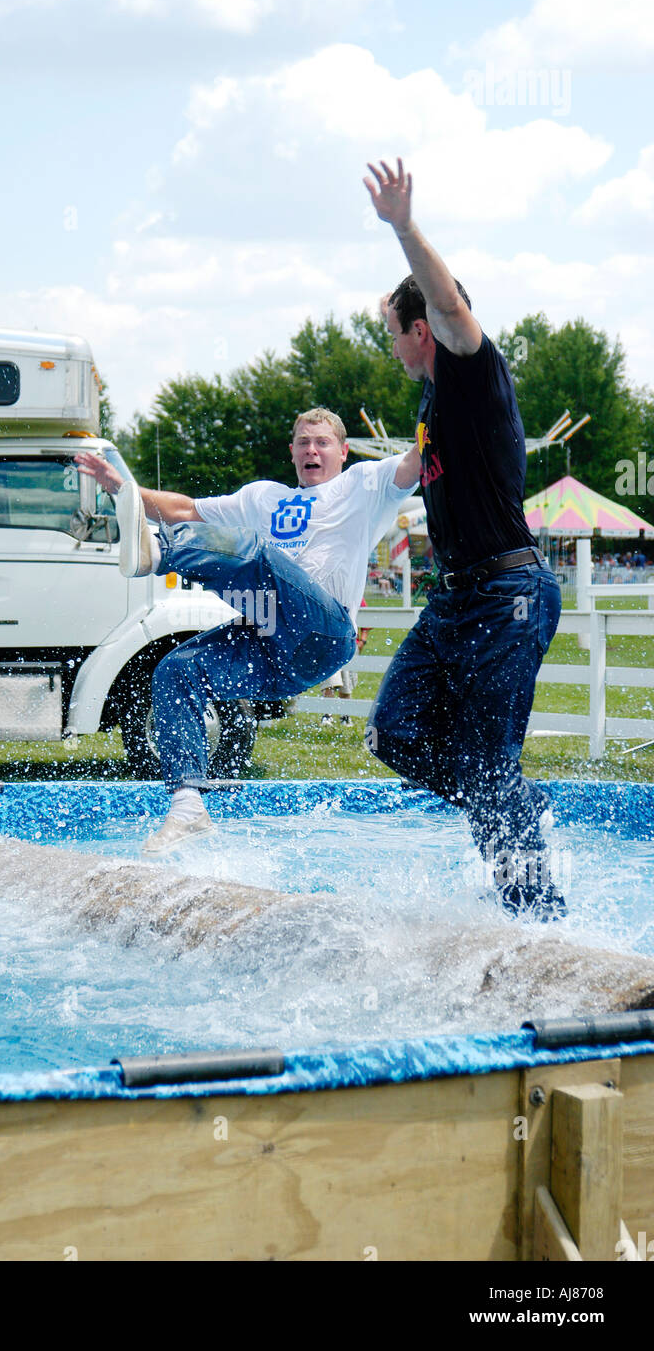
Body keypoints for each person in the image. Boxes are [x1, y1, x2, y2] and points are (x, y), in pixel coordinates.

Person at [362, 157, 565, 922]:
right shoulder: (429, 400)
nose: (391, 346)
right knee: (393, 733)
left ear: (422, 332)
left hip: (507, 594)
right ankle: (513, 800)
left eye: (393, 333)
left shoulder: (473, 372)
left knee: (485, 768)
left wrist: (404, 227)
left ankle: (537, 917)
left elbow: (448, 302)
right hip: (454, 604)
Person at [75, 409, 419, 854]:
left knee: (261, 555)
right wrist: (123, 490)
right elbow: (185, 509)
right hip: (274, 649)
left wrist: (446, 393)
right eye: (302, 442)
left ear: (343, 450)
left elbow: (416, 460)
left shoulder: (367, 484)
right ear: (292, 451)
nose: (311, 450)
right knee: (175, 670)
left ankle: (158, 554)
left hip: (324, 636)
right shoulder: (263, 498)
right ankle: (187, 807)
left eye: (322, 442)